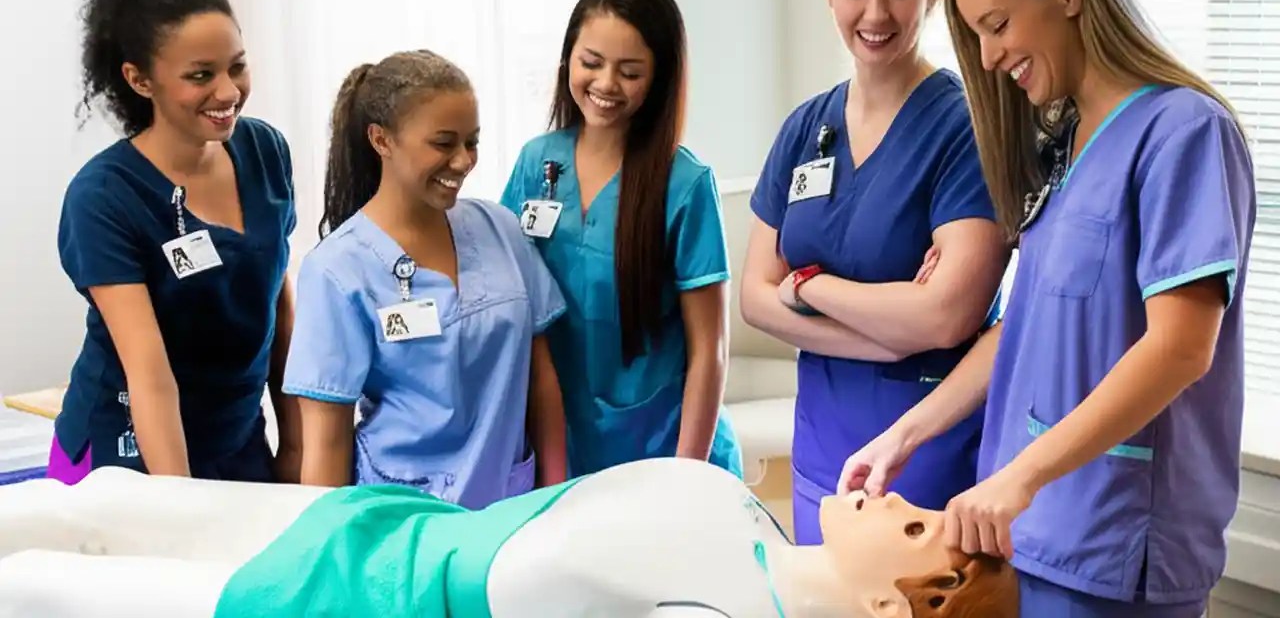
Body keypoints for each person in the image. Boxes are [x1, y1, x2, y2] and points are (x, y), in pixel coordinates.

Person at [838, 0, 1258, 617]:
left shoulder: (1182, 132)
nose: (992, 57)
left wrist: (1023, 477)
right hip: (1027, 536)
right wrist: (908, 431)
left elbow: (1182, 348)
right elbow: (1025, 333)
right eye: (977, 37)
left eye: (998, 26)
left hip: (1110, 540)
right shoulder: (1065, 153)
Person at [740, 0, 1008, 544]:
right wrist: (889, 333)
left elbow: (947, 317)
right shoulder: (807, 128)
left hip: (927, 458)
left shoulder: (967, 129)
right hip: (822, 450)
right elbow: (752, 297)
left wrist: (808, 288)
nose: (877, 14)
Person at [0, 458, 1019, 617]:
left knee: (48, 584)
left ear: (896, 606)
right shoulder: (732, 499)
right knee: (104, 499)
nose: (895, 500)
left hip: (359, 601)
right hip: (375, 520)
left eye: (917, 527)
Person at [51, 0, 301, 485]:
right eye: (200, 75)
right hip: (129, 453)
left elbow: (279, 309)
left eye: (237, 66)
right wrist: (177, 508)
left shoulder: (265, 151)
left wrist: (297, 449)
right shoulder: (104, 196)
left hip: (235, 440)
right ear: (140, 80)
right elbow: (149, 373)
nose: (227, 90)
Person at [282, 50, 569, 510]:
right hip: (400, 519)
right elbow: (326, 444)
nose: (462, 161)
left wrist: (555, 499)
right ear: (381, 140)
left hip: (510, 509)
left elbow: (541, 380)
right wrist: (332, 554)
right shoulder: (337, 269)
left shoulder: (501, 230)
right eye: (443, 143)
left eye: (471, 142)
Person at [500, 0, 742, 479]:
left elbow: (709, 351)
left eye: (629, 71)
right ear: (568, 59)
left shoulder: (685, 184)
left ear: (659, 78)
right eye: (591, 63)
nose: (606, 84)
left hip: (663, 442)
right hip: (562, 439)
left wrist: (687, 475)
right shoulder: (536, 164)